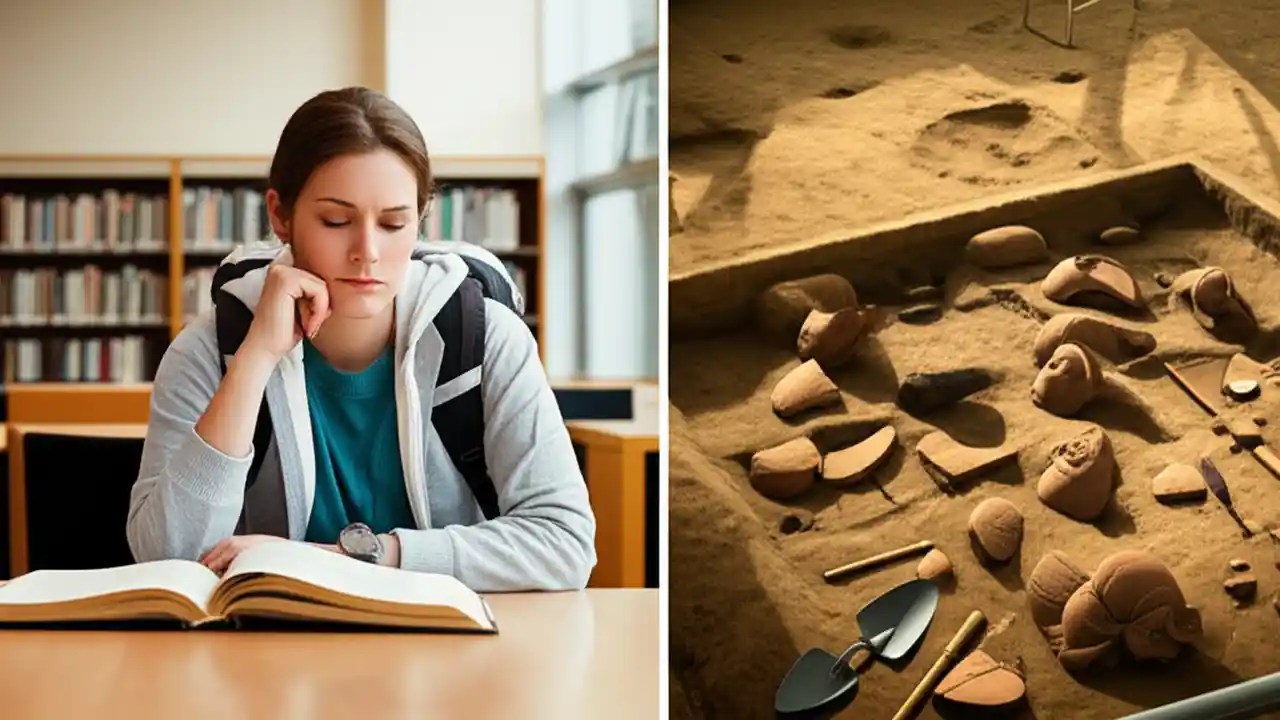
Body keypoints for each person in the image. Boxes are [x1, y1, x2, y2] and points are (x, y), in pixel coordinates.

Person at [126, 86, 597, 592]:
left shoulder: (488, 339)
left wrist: (348, 557)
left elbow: (565, 543)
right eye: (336, 220)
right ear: (280, 216)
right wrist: (254, 359)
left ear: (420, 219)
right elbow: (167, 558)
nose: (367, 251)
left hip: (448, 638)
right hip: (269, 640)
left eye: (394, 223)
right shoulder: (206, 349)